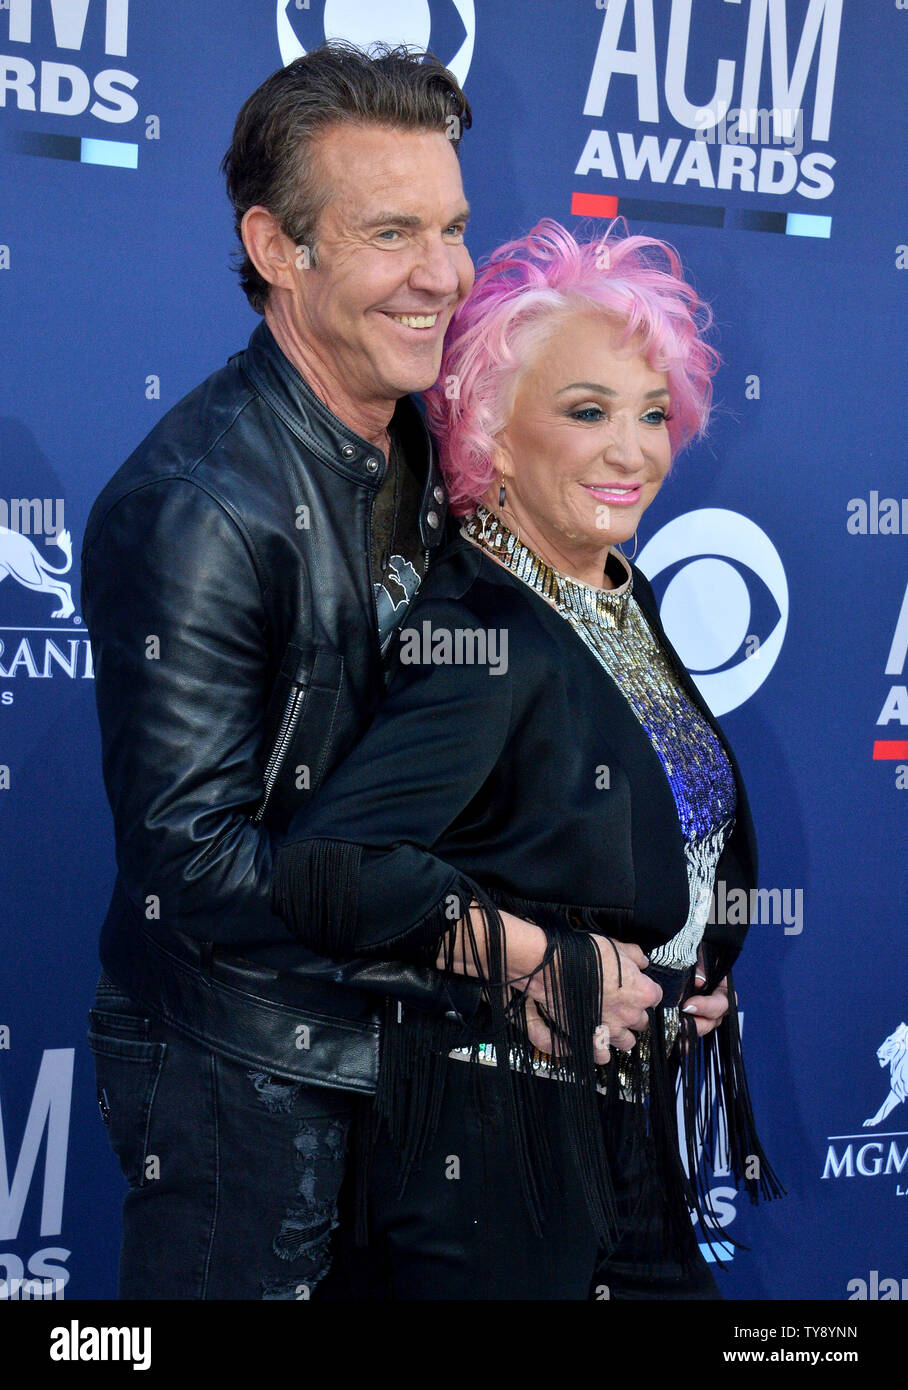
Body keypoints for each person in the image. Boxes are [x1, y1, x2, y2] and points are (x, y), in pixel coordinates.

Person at [273, 219, 782, 1300]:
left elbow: (594, 836)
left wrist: (685, 965)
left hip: (618, 1131)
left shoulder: (610, 593)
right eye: (587, 412)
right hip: (490, 1149)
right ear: (494, 433)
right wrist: (539, 959)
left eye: (652, 415)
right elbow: (331, 867)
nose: (631, 449)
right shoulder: (489, 629)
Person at [80, 41, 484, 1300]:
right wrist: (474, 938)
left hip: (408, 1055)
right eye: (390, 234)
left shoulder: (441, 446)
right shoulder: (195, 506)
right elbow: (189, 863)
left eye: (453, 227)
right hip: (242, 1073)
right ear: (275, 249)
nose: (440, 276)